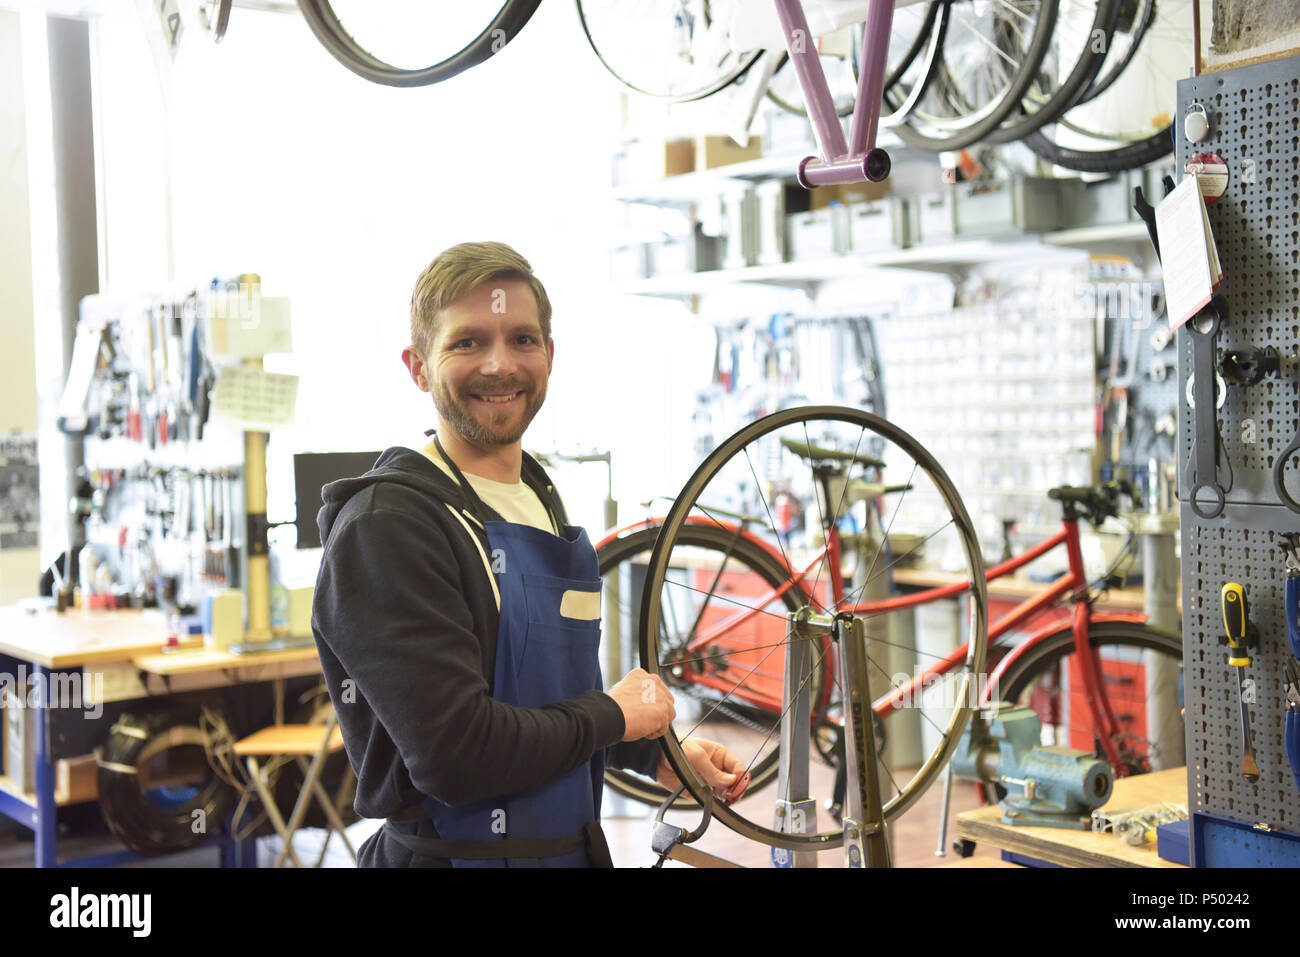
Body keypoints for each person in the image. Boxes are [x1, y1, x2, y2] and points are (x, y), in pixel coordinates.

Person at [312, 241, 746, 867]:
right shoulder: (389, 528)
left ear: (549, 355)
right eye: (467, 342)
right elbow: (457, 754)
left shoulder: (538, 498)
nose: (499, 364)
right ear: (418, 367)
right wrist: (614, 717)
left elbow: (545, 699)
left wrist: (650, 754)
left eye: (522, 339)